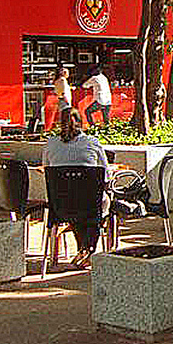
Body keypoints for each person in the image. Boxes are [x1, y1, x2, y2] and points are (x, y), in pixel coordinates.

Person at [43, 108, 111, 268]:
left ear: (59, 123)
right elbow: (106, 175)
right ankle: (88, 248)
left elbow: (46, 168)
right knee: (100, 204)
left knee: (74, 202)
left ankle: (84, 248)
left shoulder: (50, 144)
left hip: (60, 205)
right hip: (90, 205)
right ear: (81, 122)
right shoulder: (92, 143)